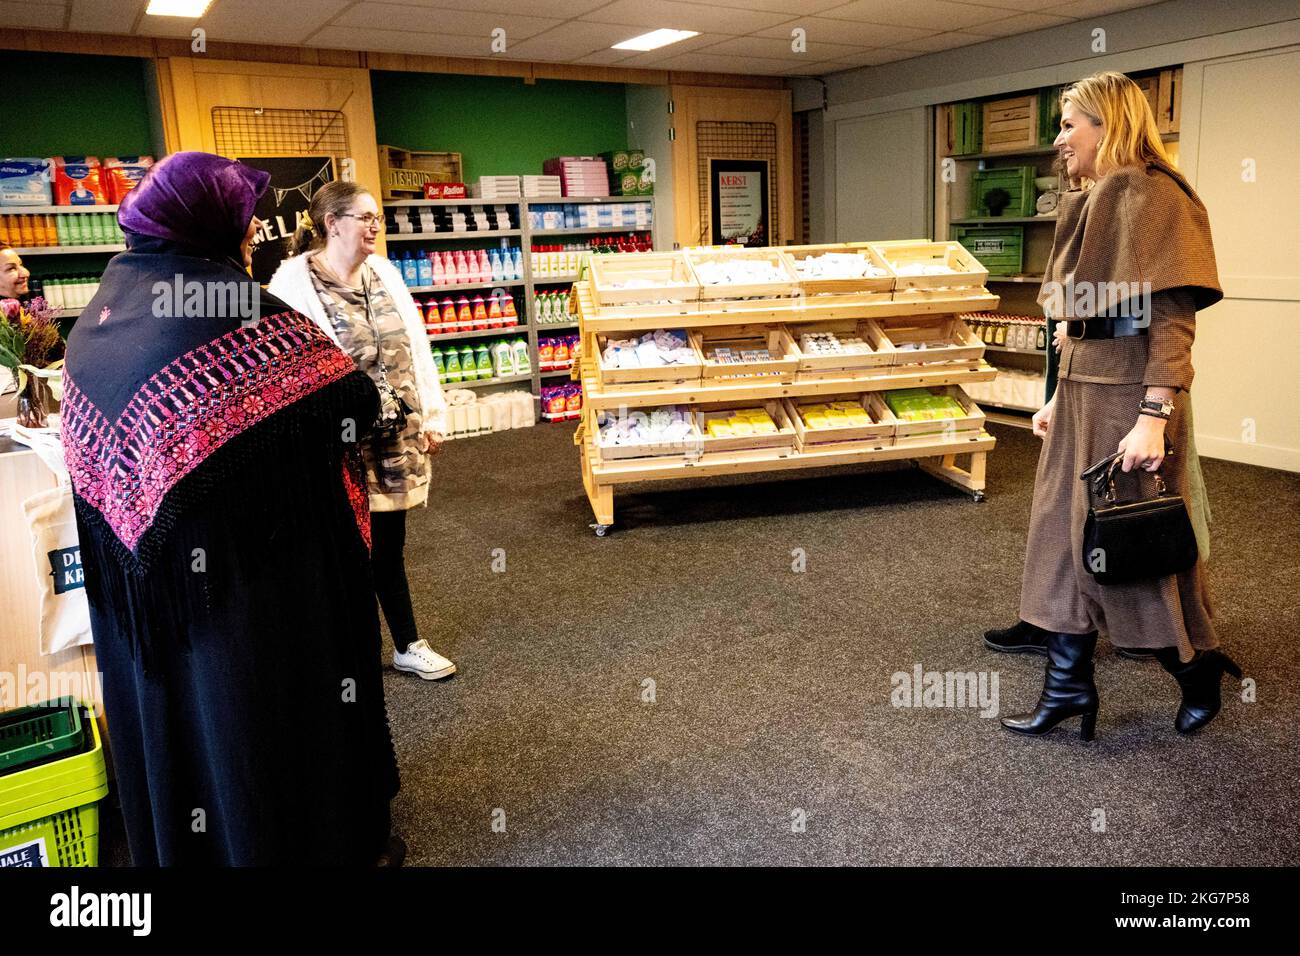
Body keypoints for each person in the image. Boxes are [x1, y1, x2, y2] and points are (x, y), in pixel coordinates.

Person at [61, 152, 404, 864]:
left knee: (189, 726)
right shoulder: (222, 306)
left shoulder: (103, 311)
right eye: (243, 226)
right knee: (251, 724)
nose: (250, 240)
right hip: (249, 586)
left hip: (150, 609)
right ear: (208, 227)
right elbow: (350, 398)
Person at [994, 72, 1240, 740]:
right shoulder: (1091, 200)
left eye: (1070, 123)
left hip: (1131, 401)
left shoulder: (1158, 197)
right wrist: (1055, 395)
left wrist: (1154, 417)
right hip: (1081, 393)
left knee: (1130, 550)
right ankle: (1070, 685)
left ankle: (1195, 670)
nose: (1059, 138)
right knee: (1060, 541)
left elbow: (1171, 323)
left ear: (1107, 124)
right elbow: (1076, 316)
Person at [269, 182, 454, 681]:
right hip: (337, 446)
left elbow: (416, 349)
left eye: (378, 218)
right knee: (340, 547)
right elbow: (287, 373)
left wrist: (430, 416)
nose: (376, 226)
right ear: (332, 223)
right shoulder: (293, 286)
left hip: (394, 438)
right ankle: (342, 651)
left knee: (388, 545)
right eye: (365, 217)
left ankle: (408, 643)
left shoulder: (385, 274)